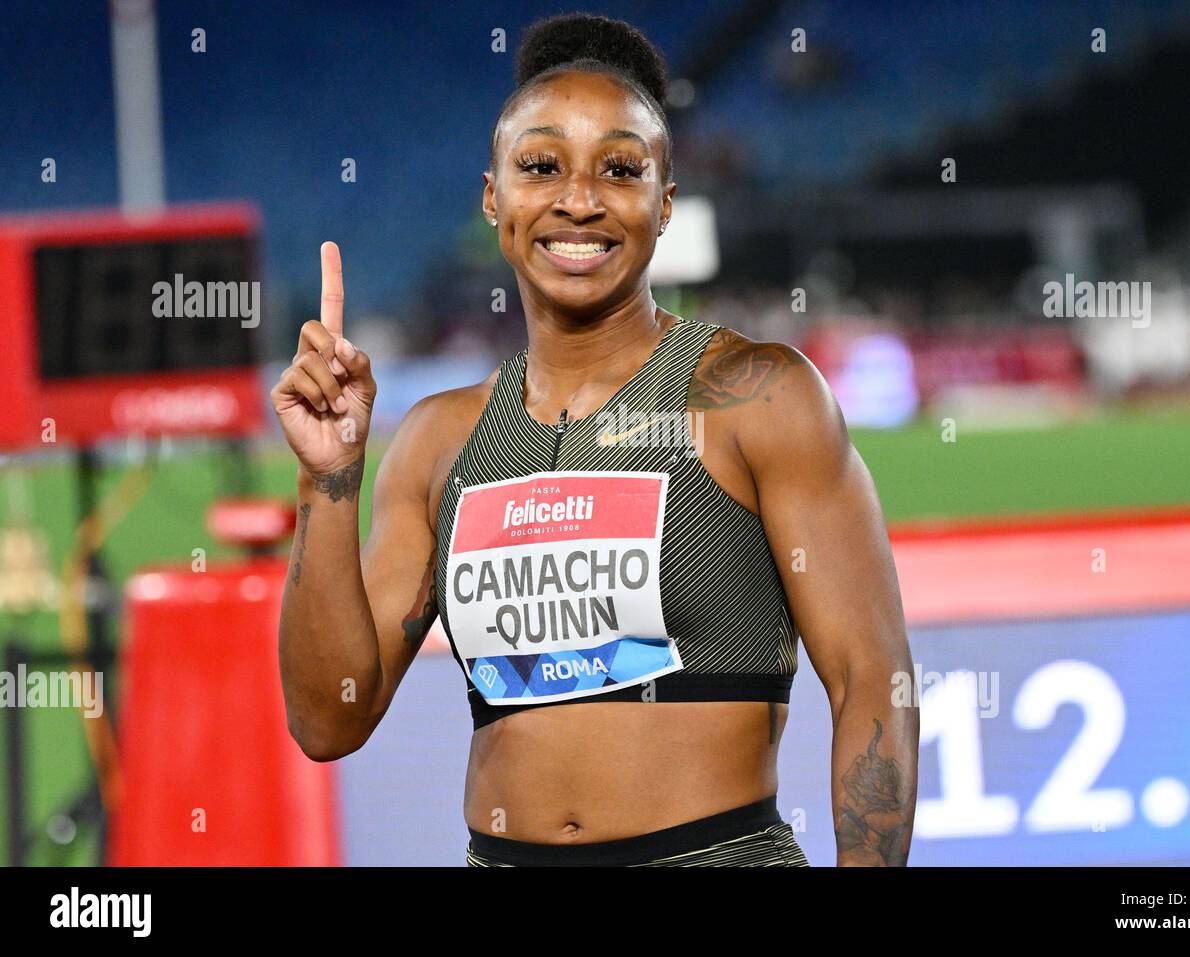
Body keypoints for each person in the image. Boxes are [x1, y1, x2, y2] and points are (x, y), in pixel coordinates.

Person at [273, 12, 917, 867]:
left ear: (665, 202)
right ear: (494, 196)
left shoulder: (758, 398)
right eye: (541, 166)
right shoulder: (437, 442)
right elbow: (329, 719)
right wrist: (329, 479)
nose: (579, 199)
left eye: (621, 169)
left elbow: (873, 680)